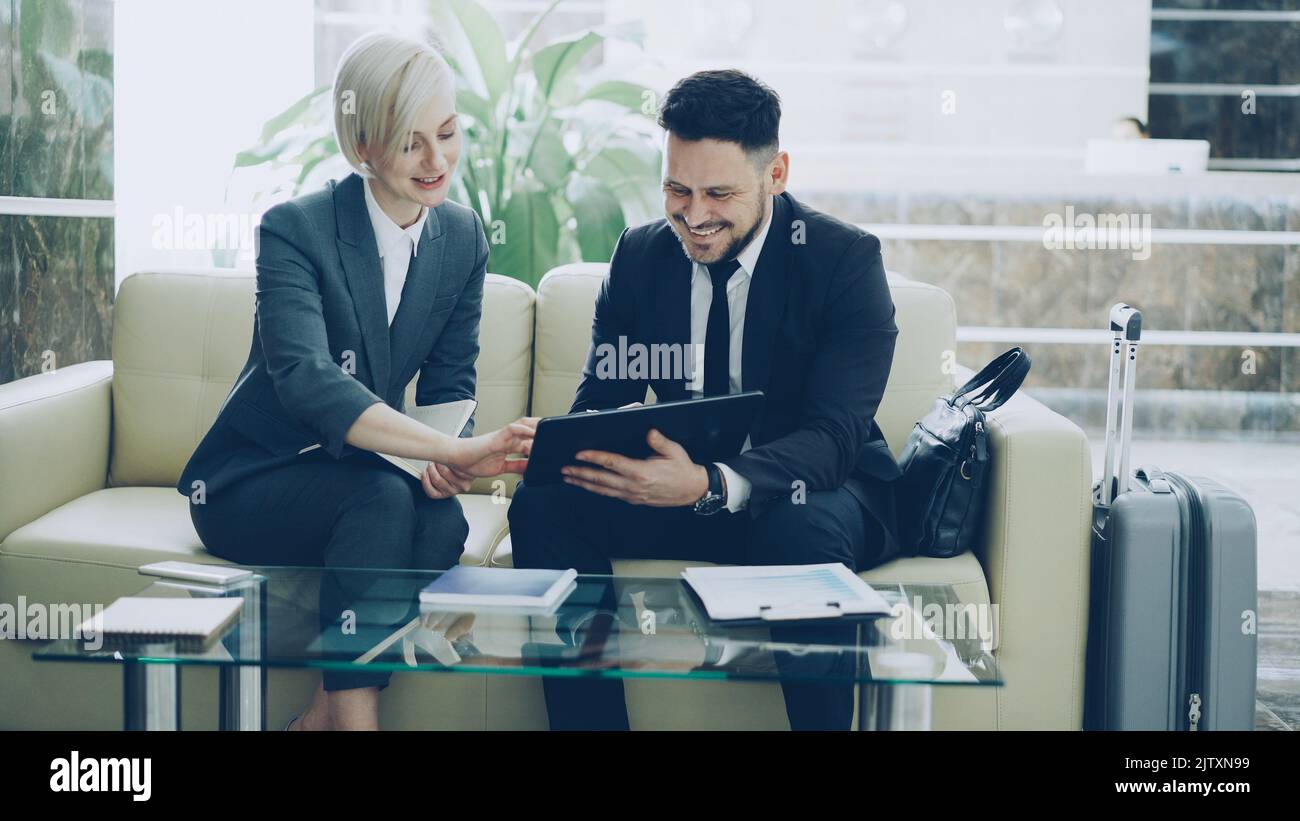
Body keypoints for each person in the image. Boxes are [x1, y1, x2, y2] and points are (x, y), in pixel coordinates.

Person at [507, 69, 902, 731]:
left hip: (811, 491)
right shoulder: (640, 256)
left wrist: (711, 481)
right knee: (545, 503)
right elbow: (601, 399)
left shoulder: (843, 261)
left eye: (719, 192)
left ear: (775, 173)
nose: (693, 215)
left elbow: (833, 437)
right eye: (676, 188)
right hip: (676, 488)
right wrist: (563, 443)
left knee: (795, 531)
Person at [176, 32, 535, 731]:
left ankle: (319, 710)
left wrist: (439, 451)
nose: (437, 161)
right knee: (378, 503)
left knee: (439, 523)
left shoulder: (460, 237)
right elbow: (308, 380)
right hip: (253, 478)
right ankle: (355, 722)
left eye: (448, 133)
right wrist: (453, 453)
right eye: (411, 143)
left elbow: (450, 381)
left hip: (365, 475)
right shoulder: (297, 229)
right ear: (362, 146)